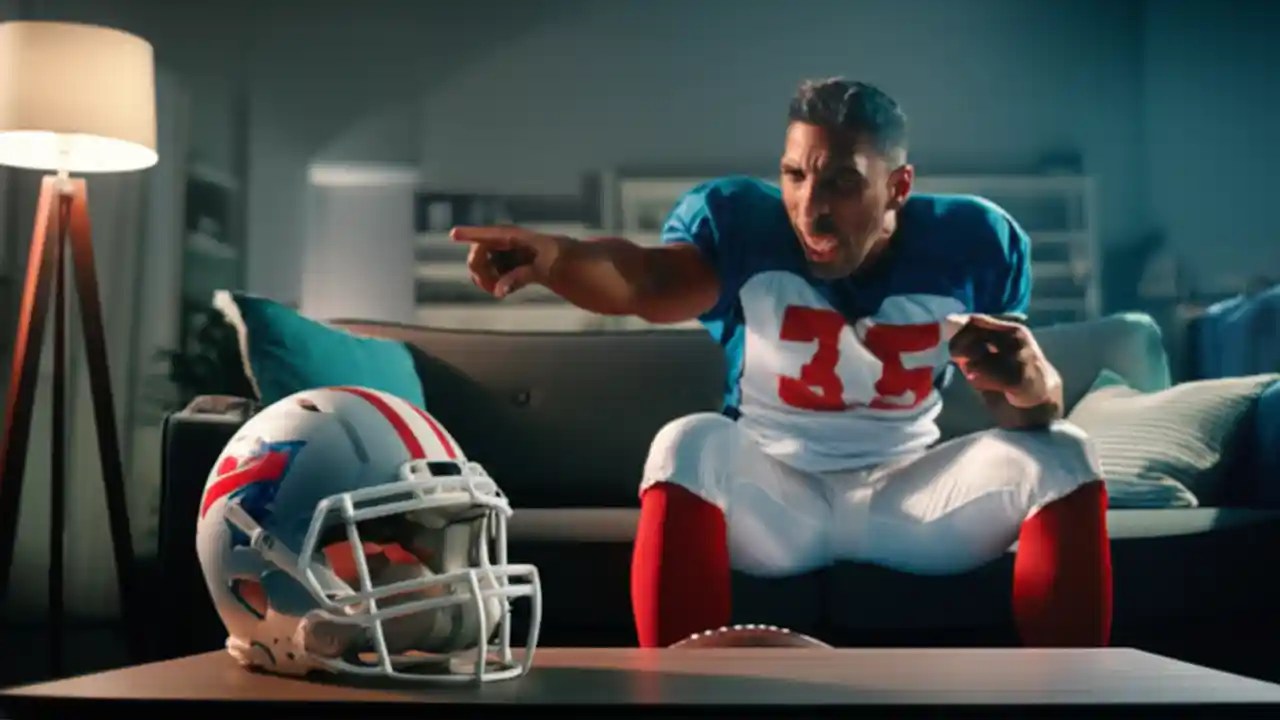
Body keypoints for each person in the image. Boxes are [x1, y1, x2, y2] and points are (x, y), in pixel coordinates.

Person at [451, 77, 1112, 649]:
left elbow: (1023, 409)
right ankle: (677, 692)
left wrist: (1034, 384)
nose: (812, 206)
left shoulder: (974, 242)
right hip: (775, 495)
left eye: (843, 181)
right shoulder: (745, 226)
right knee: (687, 442)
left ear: (898, 186)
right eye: (796, 175)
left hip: (911, 498)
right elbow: (644, 280)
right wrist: (557, 258)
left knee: (1064, 452)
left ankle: (1074, 689)